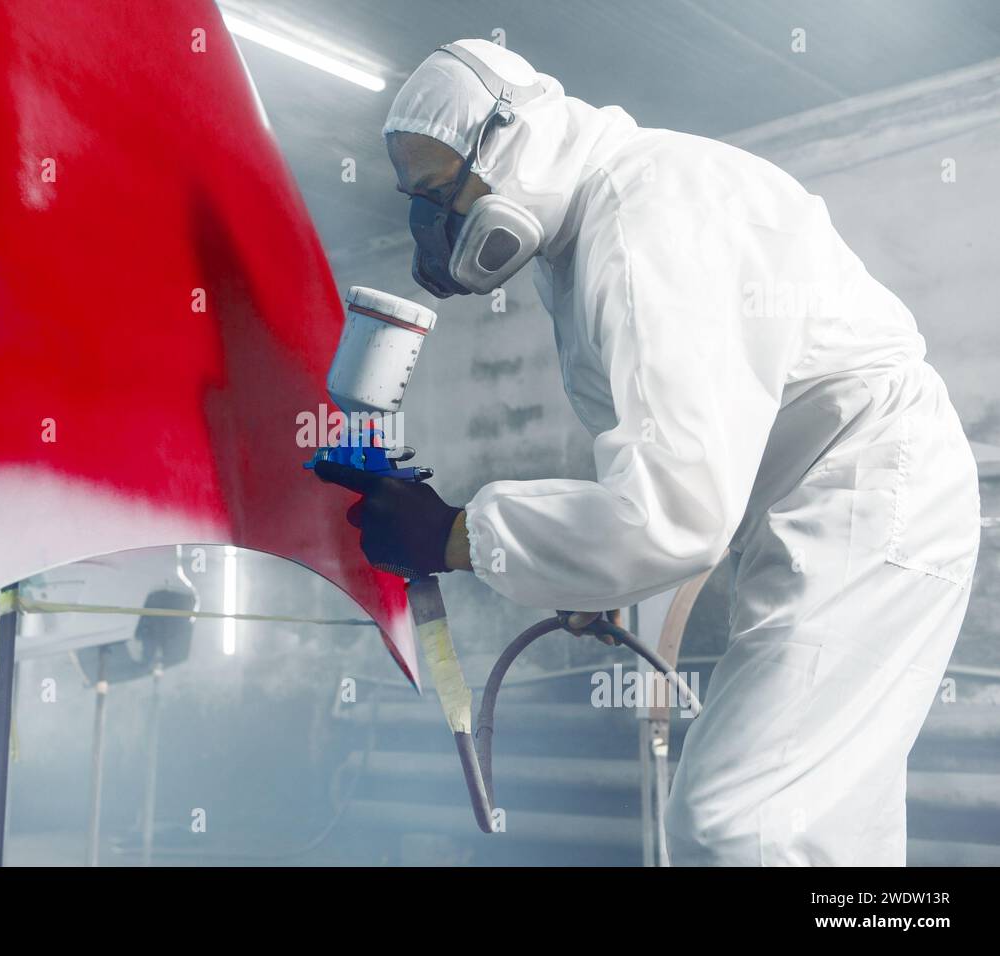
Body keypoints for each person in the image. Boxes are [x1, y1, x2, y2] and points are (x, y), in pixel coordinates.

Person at [315, 39, 980, 865]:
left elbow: (675, 509)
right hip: (837, 503)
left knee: (744, 822)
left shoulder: (644, 217)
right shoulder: (595, 226)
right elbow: (671, 464)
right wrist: (597, 570)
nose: (431, 224)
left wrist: (453, 534)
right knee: (823, 823)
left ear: (510, 141)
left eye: (436, 193)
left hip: (871, 495)